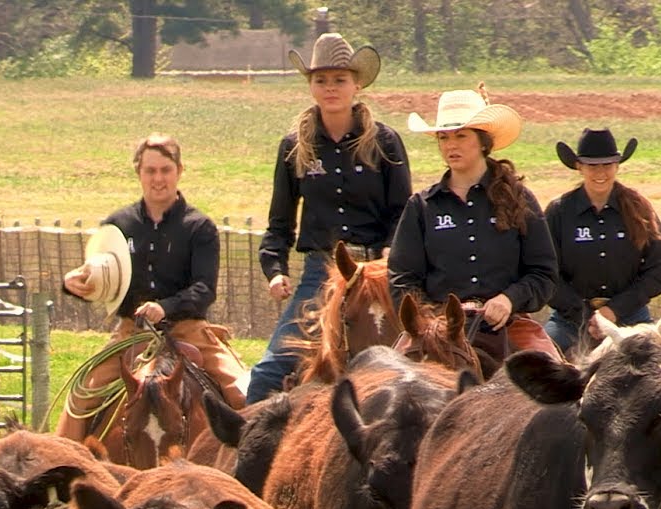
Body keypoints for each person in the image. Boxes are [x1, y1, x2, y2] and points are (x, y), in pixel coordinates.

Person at [245, 32, 411, 403]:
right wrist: (275, 270)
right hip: (319, 275)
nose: (330, 88)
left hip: (375, 272)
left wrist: (389, 251)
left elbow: (402, 211)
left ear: (356, 85)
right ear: (311, 86)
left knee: (412, 365)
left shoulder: (384, 142)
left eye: (339, 80)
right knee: (268, 372)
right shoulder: (295, 147)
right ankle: (243, 456)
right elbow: (279, 223)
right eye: (321, 80)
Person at [56, 133, 249, 442]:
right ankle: (66, 475)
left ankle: (249, 478)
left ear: (179, 171)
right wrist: (73, 284)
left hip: (190, 332)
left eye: (165, 170)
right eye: (150, 171)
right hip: (131, 334)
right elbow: (100, 278)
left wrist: (165, 307)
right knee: (81, 396)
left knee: (246, 392)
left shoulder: (199, 227)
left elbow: (204, 289)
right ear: (139, 173)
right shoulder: (117, 225)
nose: (158, 179)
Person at [388, 85, 560, 365]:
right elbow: (402, 278)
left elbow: (543, 273)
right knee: (388, 387)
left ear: (483, 141)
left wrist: (508, 299)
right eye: (444, 137)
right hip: (437, 329)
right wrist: (428, 318)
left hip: (509, 324)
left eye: (461, 135)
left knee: (558, 390)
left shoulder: (518, 199)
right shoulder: (421, 207)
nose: (451, 145)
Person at [544, 128, 661, 354]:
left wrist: (614, 310)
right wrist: (585, 315)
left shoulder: (639, 209)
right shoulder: (559, 212)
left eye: (607, 165)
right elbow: (546, 271)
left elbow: (657, 272)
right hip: (570, 321)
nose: (600, 172)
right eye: (592, 165)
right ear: (579, 166)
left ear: (617, 166)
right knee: (540, 363)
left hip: (630, 318)